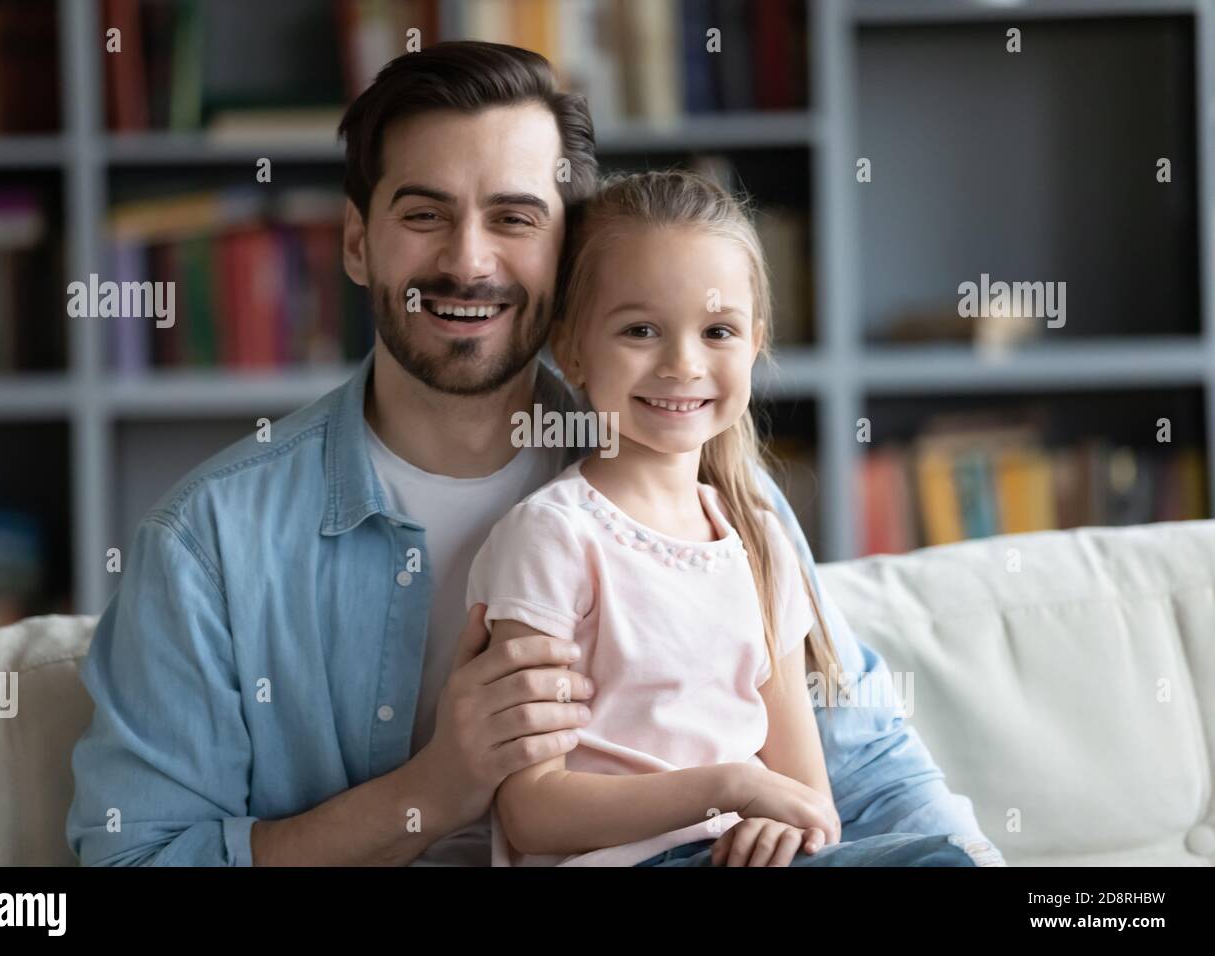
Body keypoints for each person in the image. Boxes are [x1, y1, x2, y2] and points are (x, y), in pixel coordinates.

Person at [66, 41, 999, 867]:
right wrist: (432, 789)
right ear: (357, 242)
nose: (469, 262)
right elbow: (134, 860)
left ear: (569, 256)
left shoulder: (701, 479)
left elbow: (867, 763)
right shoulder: (207, 544)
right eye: (424, 214)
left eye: (514, 218)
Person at [468, 169, 1002, 867]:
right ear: (571, 350)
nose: (683, 364)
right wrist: (731, 788)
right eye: (640, 330)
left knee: (952, 858)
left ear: (753, 345)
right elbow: (530, 812)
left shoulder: (759, 540)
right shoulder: (553, 537)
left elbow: (811, 799)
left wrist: (784, 826)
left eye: (716, 331)